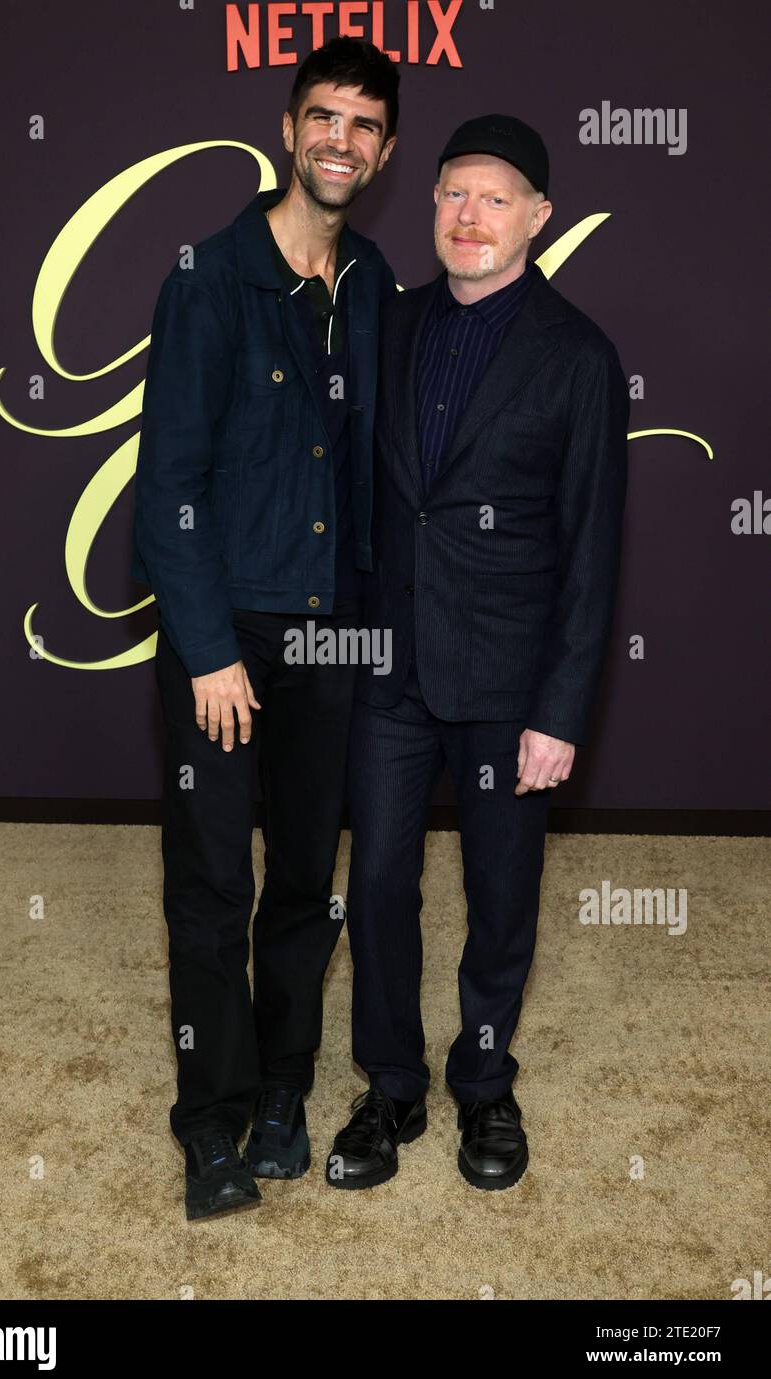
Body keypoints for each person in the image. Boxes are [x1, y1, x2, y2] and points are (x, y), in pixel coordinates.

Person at [327, 115, 629, 1193]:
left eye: (493, 198)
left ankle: (485, 1078)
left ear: (537, 217)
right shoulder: (388, 325)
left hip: (508, 686)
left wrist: (560, 711)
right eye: (452, 193)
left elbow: (592, 553)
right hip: (389, 674)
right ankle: (391, 1083)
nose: (467, 215)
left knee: (502, 894)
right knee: (377, 884)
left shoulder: (579, 354)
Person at [132, 38, 399, 1220]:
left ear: (384, 151)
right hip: (226, 633)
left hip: (329, 637)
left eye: (364, 126)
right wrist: (204, 649)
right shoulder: (209, 277)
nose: (340, 141)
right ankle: (211, 1120)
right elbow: (168, 483)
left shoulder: (378, 287)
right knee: (208, 885)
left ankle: (284, 1087)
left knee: (305, 878)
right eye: (323, 118)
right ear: (289, 129)